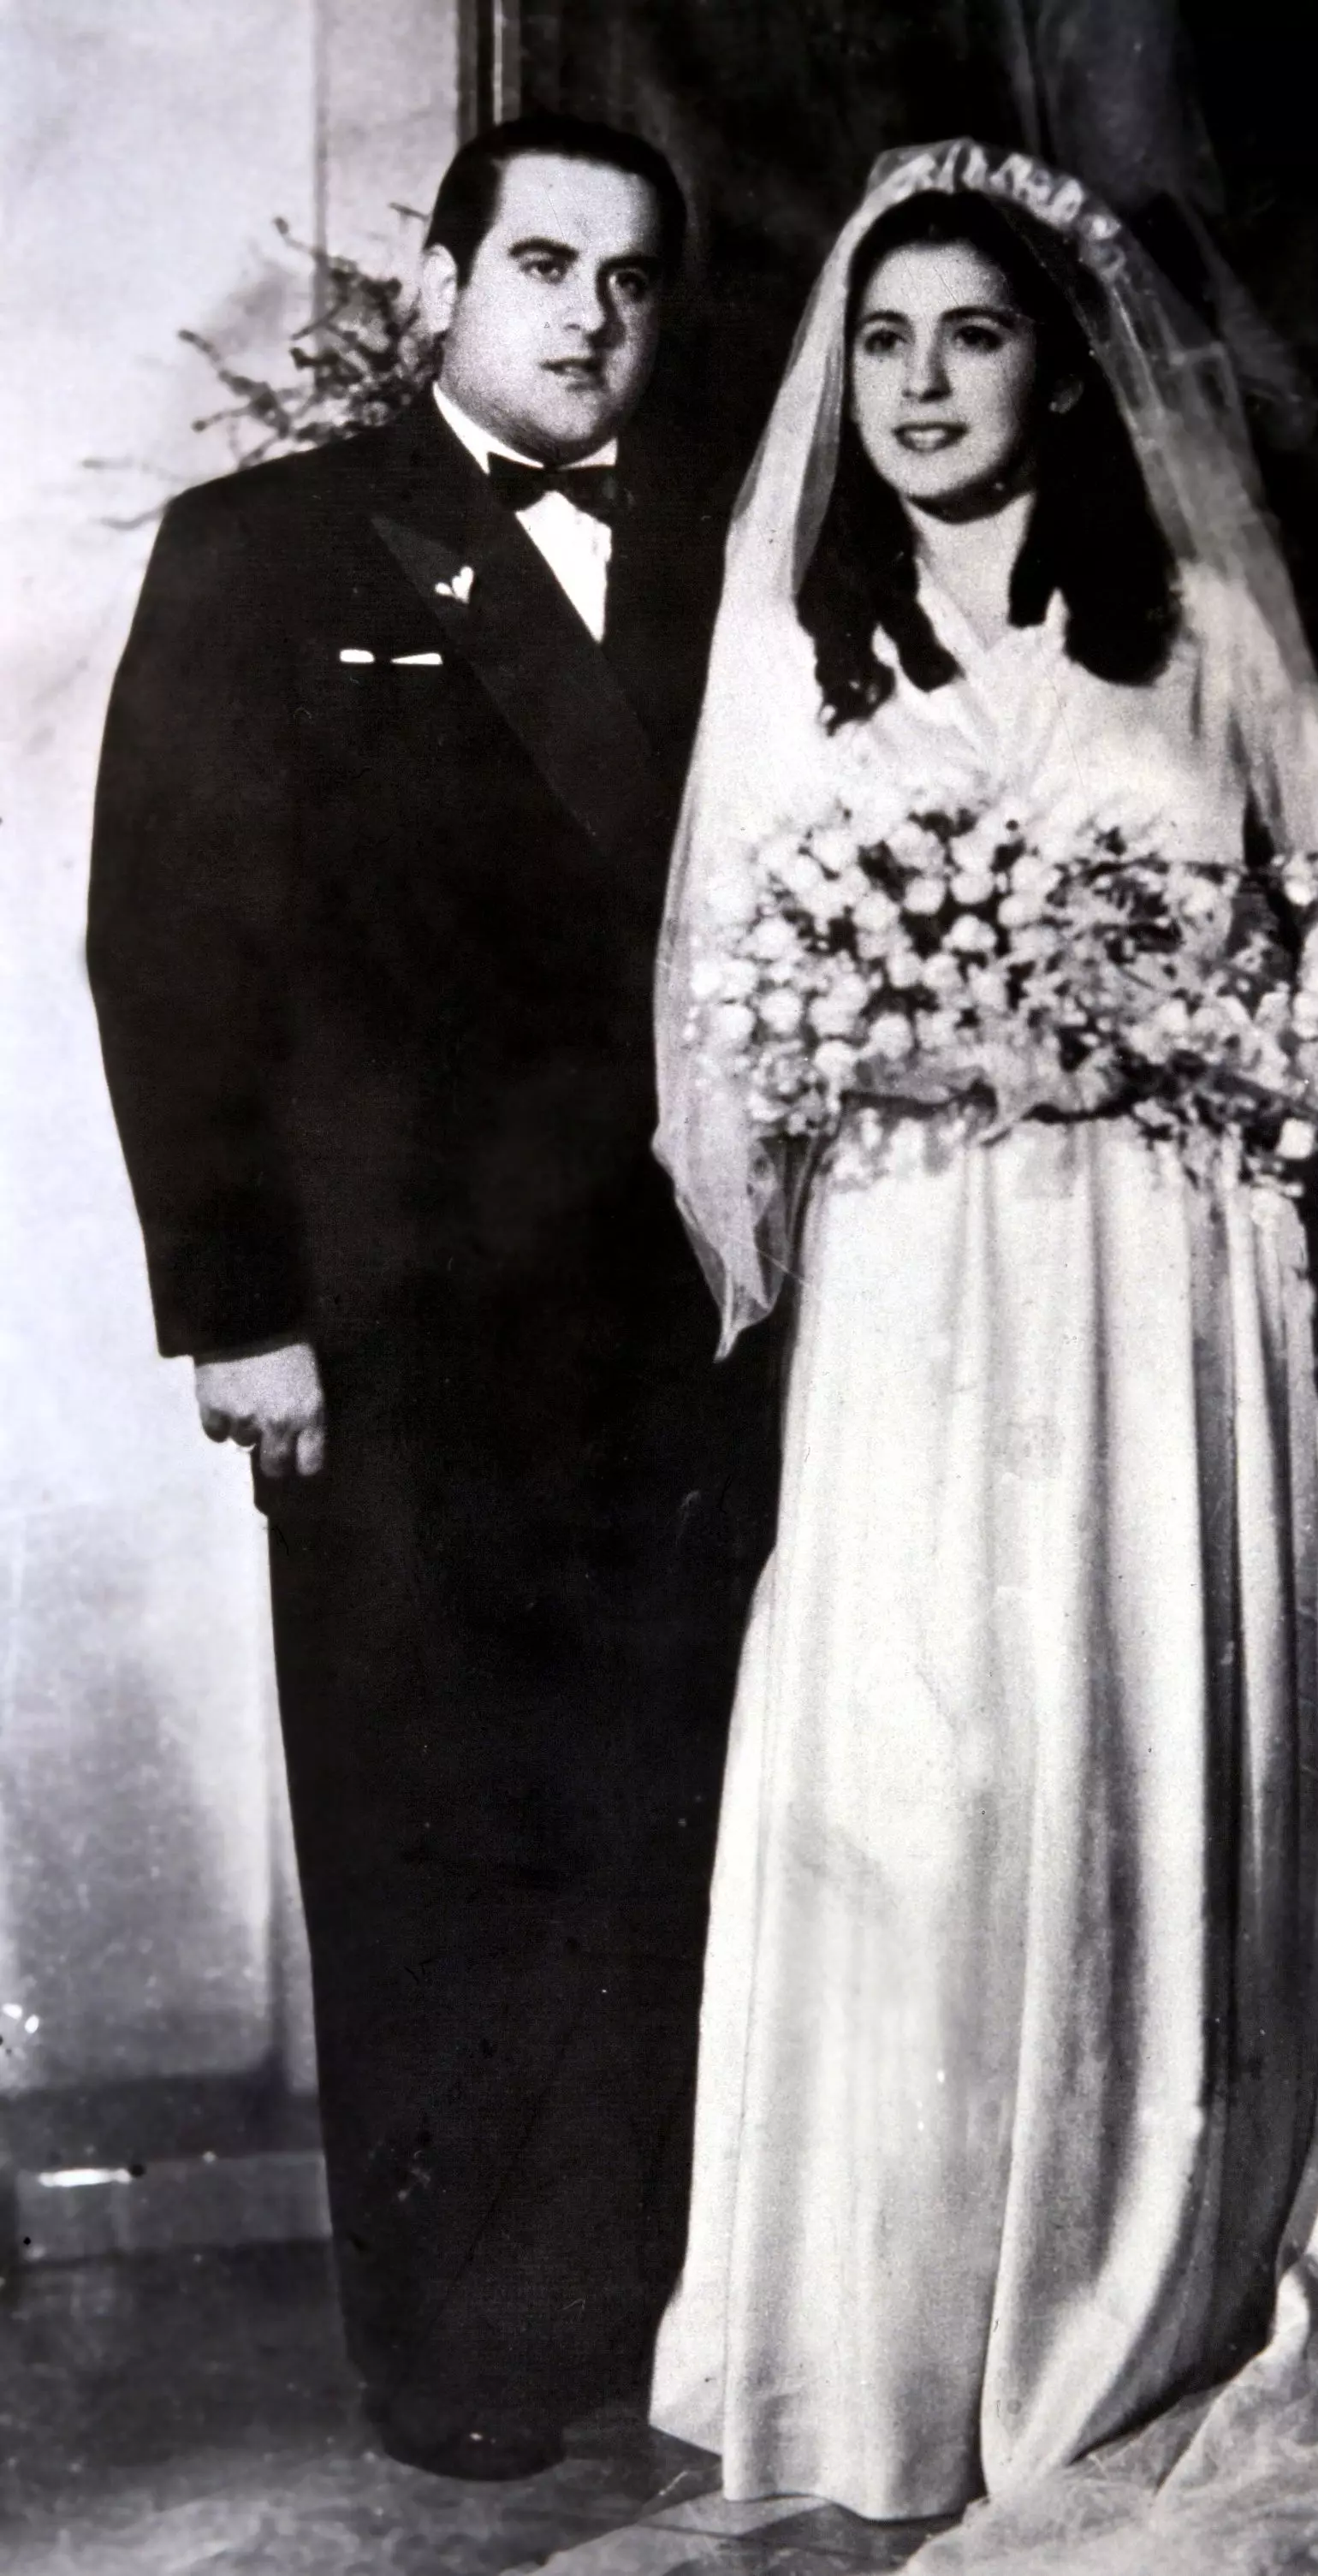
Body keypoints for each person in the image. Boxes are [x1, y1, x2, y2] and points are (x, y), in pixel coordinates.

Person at [646, 140, 1318, 2568]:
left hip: (1162, 1264)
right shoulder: (791, 636)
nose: (924, 383)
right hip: (932, 1278)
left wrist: (1167, 1040)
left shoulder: (1196, 630)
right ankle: (902, 2342)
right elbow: (727, 1024)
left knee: (1143, 1738)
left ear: (1065, 366)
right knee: (932, 1764)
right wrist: (912, 1039)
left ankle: (1144, 2307)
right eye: (887, 341)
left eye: (976, 335)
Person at [87, 113, 772, 2481]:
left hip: (669, 1323)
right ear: (450, 280)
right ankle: (456, 2359)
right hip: (389, 1329)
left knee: (646, 1817)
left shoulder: (733, 569)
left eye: (635, 279)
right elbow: (168, 955)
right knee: (422, 1824)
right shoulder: (271, 550)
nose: (591, 312)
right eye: (546, 262)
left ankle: (635, 2323)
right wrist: (236, 1307)